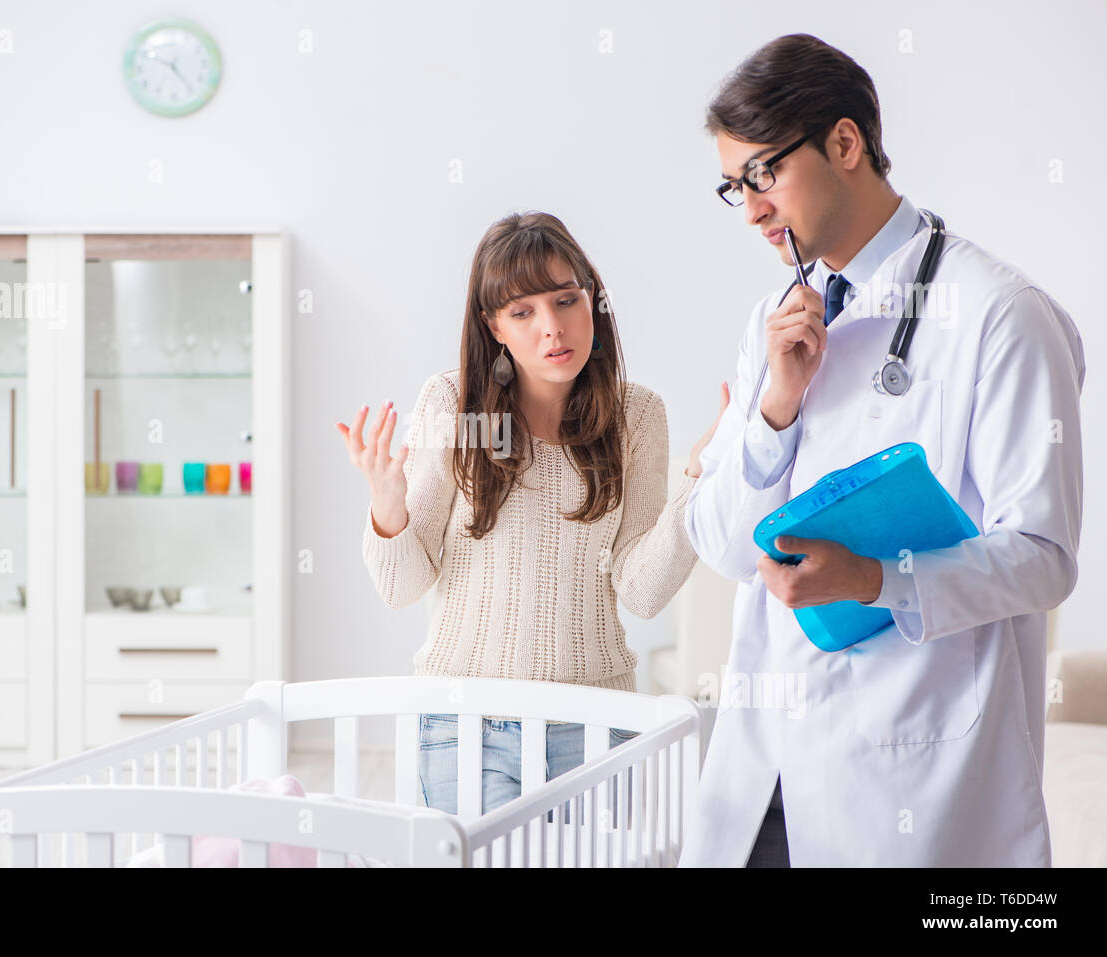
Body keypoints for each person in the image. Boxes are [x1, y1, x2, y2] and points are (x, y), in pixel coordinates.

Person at [682, 34, 1085, 866]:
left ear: (844, 142)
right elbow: (721, 545)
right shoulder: (774, 324)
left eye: (764, 173)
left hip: (913, 785)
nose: (752, 208)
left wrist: (873, 579)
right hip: (763, 778)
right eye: (735, 186)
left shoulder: (1001, 315)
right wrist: (776, 409)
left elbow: (1044, 557)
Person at [336, 211, 727, 815]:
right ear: (493, 326)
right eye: (522, 312)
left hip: (595, 726)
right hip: (464, 723)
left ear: (592, 301)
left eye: (566, 300)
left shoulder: (638, 416)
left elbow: (644, 591)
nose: (553, 327)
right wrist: (388, 509)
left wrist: (697, 480)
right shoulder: (453, 403)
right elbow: (401, 586)